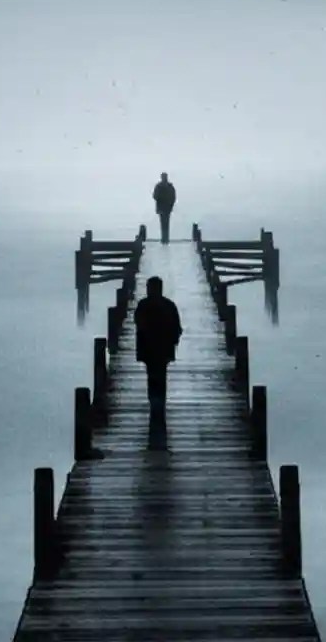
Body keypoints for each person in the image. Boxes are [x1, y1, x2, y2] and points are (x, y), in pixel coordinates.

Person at [134, 276, 183, 451]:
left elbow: (139, 325)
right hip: (163, 350)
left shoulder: (143, 305)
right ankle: (159, 402)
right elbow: (177, 328)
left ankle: (154, 402)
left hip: (148, 349)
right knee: (161, 375)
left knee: (152, 376)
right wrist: (173, 342)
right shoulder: (169, 305)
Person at [152, 173, 176, 244]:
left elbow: (155, 196)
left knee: (163, 223)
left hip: (162, 207)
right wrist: (171, 204)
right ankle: (166, 239)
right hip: (167, 207)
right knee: (166, 223)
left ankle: (164, 239)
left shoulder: (159, 186)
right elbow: (173, 197)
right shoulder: (170, 186)